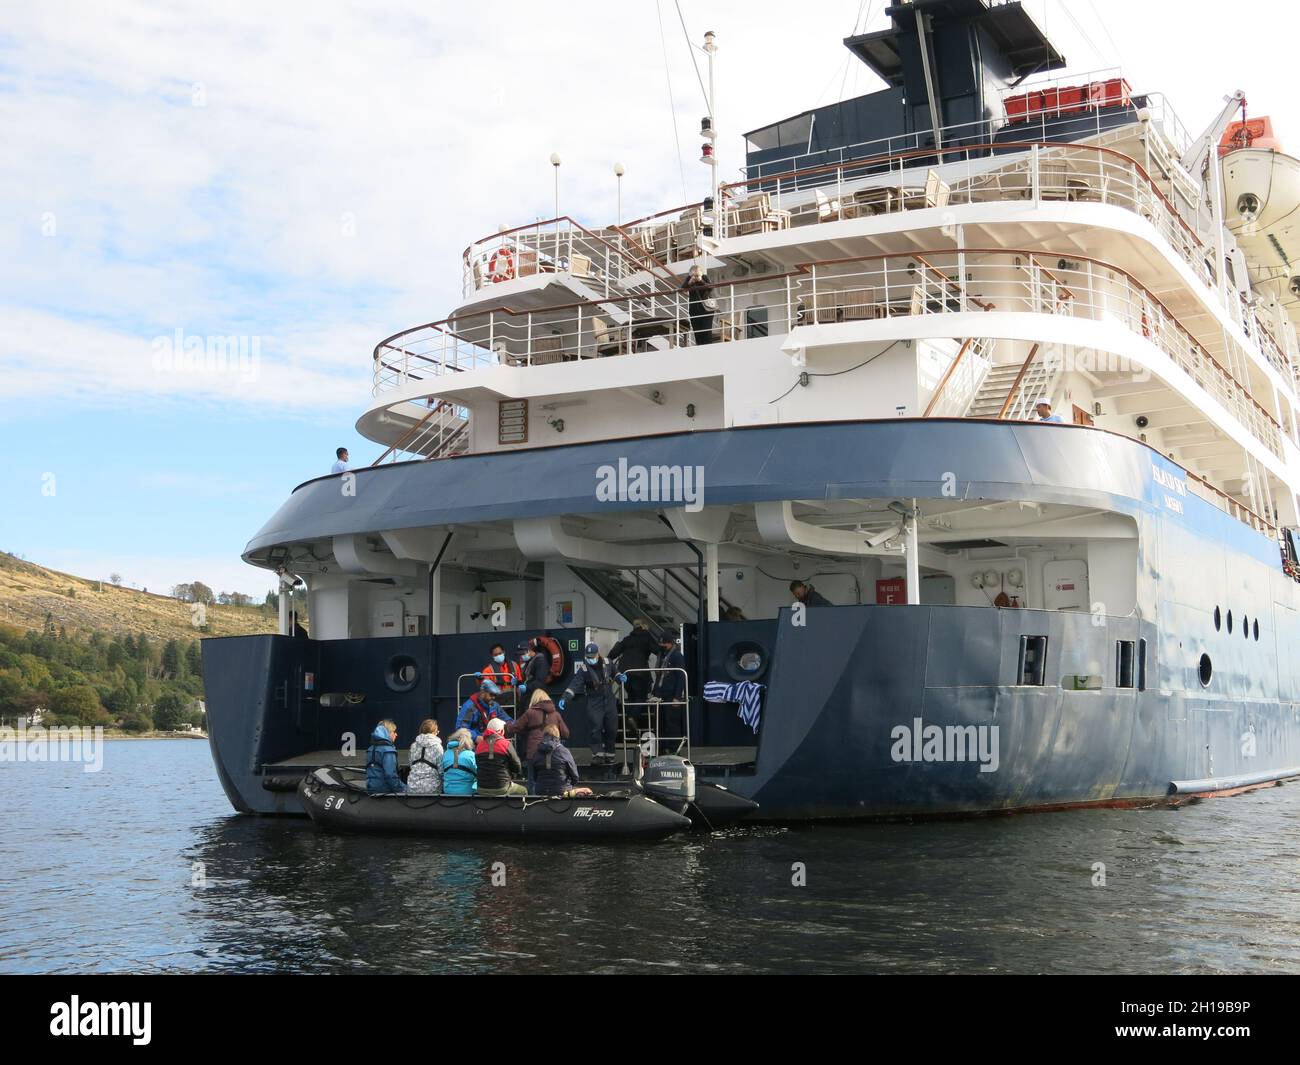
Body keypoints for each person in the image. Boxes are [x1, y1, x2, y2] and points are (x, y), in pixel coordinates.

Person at [560, 642, 619, 764]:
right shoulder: (584, 669)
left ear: (598, 654)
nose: (590, 659)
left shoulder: (608, 663)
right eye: (588, 657)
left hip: (609, 699)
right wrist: (565, 697)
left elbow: (616, 673)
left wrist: (620, 677)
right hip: (594, 700)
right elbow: (575, 685)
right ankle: (597, 754)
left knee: (611, 728)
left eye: (592, 656)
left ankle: (610, 753)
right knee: (595, 727)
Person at [507, 688, 570, 791]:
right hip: (554, 753)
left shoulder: (530, 713)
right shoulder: (556, 714)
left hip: (534, 752)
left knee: (532, 781)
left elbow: (515, 728)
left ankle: (533, 803)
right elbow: (566, 733)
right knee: (553, 779)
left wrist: (506, 725)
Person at [609, 619, 658, 727]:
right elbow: (657, 650)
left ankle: (629, 721)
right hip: (640, 673)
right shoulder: (647, 637)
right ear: (644, 627)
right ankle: (633, 717)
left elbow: (612, 654)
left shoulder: (627, 639)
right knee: (641, 696)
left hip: (625, 673)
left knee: (631, 697)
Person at [650, 636, 688, 751]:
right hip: (660, 694)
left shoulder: (677, 656)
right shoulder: (662, 656)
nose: (662, 646)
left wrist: (677, 697)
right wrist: (654, 693)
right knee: (660, 723)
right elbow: (659, 676)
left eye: (664, 644)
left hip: (671, 695)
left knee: (672, 723)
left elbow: (681, 677)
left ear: (671, 644)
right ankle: (661, 748)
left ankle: (673, 748)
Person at [474, 718, 526, 796]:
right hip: (502, 787)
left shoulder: (479, 746)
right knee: (523, 791)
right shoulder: (506, 744)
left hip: (481, 788)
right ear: (501, 731)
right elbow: (517, 766)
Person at [532, 724, 581, 797]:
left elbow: (534, 776)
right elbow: (575, 776)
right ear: (558, 736)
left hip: (541, 790)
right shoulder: (563, 751)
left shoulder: (537, 752)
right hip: (561, 790)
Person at [365, 719, 405, 794]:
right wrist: (403, 788)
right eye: (394, 732)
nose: (396, 734)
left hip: (371, 789)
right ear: (388, 733)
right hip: (385, 790)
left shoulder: (371, 749)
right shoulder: (388, 751)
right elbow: (390, 775)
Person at [407, 719, 444, 795]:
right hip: (432, 789)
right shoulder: (437, 747)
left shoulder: (413, 746)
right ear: (434, 732)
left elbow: (411, 766)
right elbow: (441, 771)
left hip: (412, 787)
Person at [681, 263, 715, 345]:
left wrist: (701, 281)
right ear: (690, 274)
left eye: (697, 275)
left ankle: (708, 348)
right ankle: (699, 349)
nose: (695, 277)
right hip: (694, 310)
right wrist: (689, 282)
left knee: (706, 331)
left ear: (700, 273)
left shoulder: (704, 277)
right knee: (697, 332)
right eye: (693, 275)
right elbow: (682, 289)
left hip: (707, 309)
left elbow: (711, 287)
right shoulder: (689, 279)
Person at [479, 643, 522, 707]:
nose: (498, 656)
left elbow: (519, 682)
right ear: (492, 656)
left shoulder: (514, 665)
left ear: (504, 652)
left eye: (500, 653)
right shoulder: (488, 670)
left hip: (513, 698)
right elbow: (485, 687)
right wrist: (478, 678)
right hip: (497, 699)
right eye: (495, 655)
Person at [441, 728, 478, 795]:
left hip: (448, 790)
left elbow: (442, 772)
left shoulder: (446, 754)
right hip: (467, 791)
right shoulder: (471, 754)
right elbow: (478, 772)